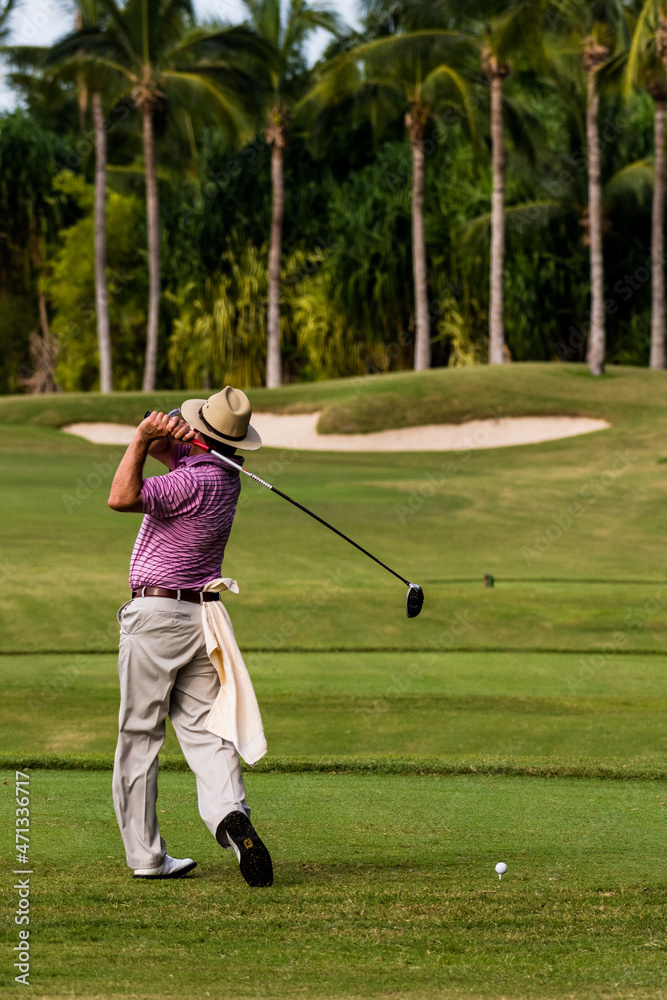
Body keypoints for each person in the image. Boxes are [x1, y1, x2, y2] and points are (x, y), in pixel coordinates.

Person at [107, 386, 272, 886]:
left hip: (156, 618)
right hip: (200, 622)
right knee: (205, 732)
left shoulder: (189, 483)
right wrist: (162, 431)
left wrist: (141, 435)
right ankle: (230, 817)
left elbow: (121, 496)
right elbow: (164, 447)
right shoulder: (224, 476)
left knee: (140, 737)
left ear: (200, 436)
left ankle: (147, 858)